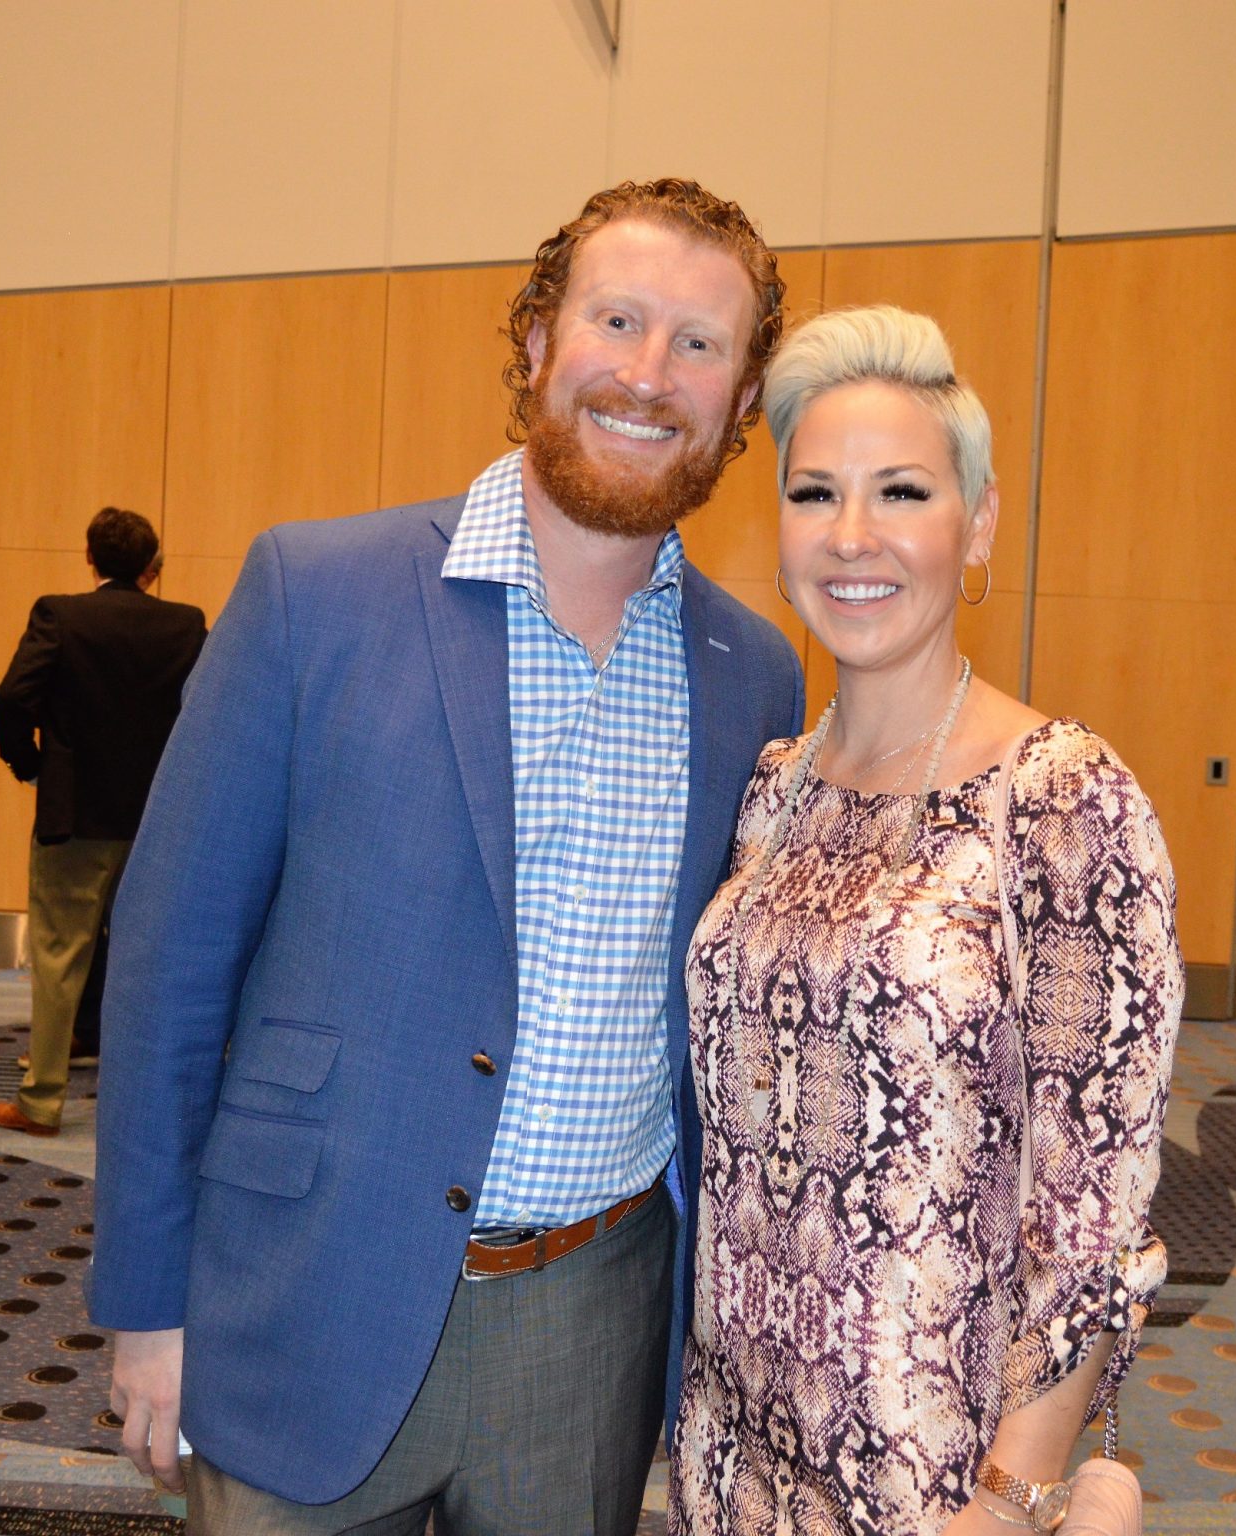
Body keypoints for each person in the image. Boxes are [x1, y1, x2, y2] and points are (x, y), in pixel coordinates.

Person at [89, 178, 804, 1535]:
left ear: (743, 403)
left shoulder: (753, 672)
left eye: (700, 345)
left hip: (589, 1327)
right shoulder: (316, 592)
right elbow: (169, 965)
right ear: (539, 338)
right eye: (618, 319)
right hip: (303, 1295)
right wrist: (146, 1303)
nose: (649, 375)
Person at [670, 307, 1183, 1535]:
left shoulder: (1058, 798)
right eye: (814, 495)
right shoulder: (773, 789)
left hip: (936, 1483)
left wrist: (1008, 1500)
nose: (853, 537)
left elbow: (1093, 1216)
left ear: (980, 522)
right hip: (728, 1454)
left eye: (901, 491)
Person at [0, 507, 206, 1137]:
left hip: (74, 816)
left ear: (90, 559)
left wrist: (29, 766)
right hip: (155, 820)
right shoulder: (186, 624)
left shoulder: (60, 614)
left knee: (60, 953)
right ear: (151, 568)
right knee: (152, 956)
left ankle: (42, 1101)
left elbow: (12, 699)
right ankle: (151, 1105)